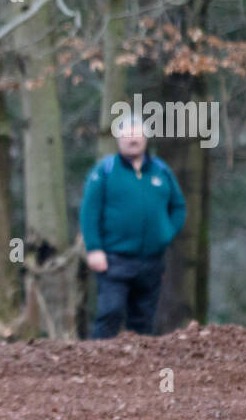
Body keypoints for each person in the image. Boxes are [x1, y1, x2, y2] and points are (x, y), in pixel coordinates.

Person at [80, 115, 186, 339]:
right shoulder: (105, 171)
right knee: (111, 312)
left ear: (145, 137)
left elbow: (178, 207)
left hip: (152, 260)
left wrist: (166, 233)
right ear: (118, 139)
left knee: (144, 319)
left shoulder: (161, 171)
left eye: (137, 133)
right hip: (113, 259)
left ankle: (140, 370)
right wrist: (94, 248)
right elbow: (89, 211)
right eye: (126, 134)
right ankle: (97, 363)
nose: (132, 139)